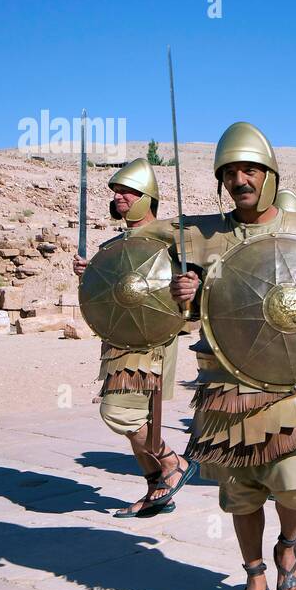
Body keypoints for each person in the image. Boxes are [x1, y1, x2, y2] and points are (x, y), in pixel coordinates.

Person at [161, 121, 296, 590]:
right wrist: (185, 297)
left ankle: (288, 546)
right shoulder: (201, 240)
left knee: (295, 487)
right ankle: (255, 575)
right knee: (240, 493)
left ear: (270, 175)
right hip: (227, 381)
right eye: (230, 172)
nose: (239, 179)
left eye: (249, 169)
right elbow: (186, 320)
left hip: (294, 380)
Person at [73, 158, 192, 517]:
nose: (119, 197)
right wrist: (89, 272)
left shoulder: (172, 235)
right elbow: (109, 290)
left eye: (127, 191)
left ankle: (173, 464)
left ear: (147, 196)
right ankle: (157, 488)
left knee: (119, 413)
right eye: (116, 192)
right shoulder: (115, 243)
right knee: (137, 420)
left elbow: (198, 276)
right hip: (119, 339)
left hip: (152, 338)